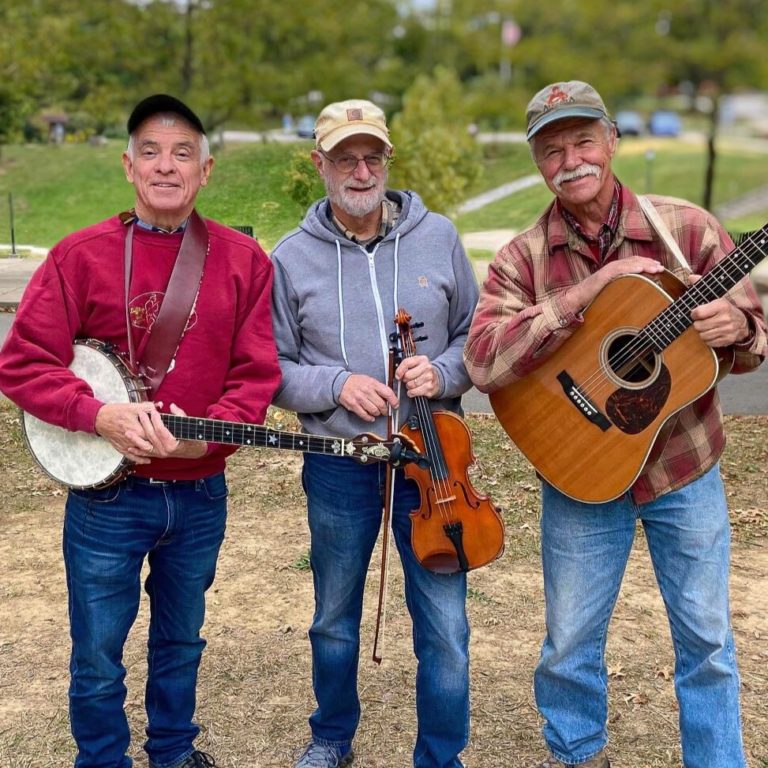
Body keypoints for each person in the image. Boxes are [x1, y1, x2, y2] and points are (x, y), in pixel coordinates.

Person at [464, 80, 767, 768]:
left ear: (612, 141)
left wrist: (739, 328)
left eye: (583, 140)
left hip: (682, 468)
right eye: (552, 149)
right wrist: (587, 292)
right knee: (569, 640)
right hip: (580, 470)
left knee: (709, 640)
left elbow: (753, 340)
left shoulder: (688, 228)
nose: (571, 160)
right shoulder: (524, 257)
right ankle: (576, 754)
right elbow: (483, 360)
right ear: (538, 163)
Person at [0, 94, 281, 768]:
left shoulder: (245, 261)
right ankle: (101, 760)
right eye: (151, 152)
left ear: (205, 170)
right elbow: (21, 363)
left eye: (183, 153)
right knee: (97, 651)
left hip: (199, 493)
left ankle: (173, 752)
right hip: (107, 503)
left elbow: (255, 377)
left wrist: (203, 440)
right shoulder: (78, 256)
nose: (166, 166)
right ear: (129, 165)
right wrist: (97, 414)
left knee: (181, 640)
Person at [270, 99, 479, 768]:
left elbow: (481, 338)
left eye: (372, 157)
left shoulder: (440, 236)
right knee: (334, 616)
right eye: (344, 158)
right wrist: (334, 384)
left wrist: (441, 369)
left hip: (435, 462)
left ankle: (440, 756)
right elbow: (271, 369)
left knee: (444, 626)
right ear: (319, 164)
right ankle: (331, 738)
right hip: (339, 462)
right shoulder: (290, 257)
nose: (360, 171)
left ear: (388, 160)